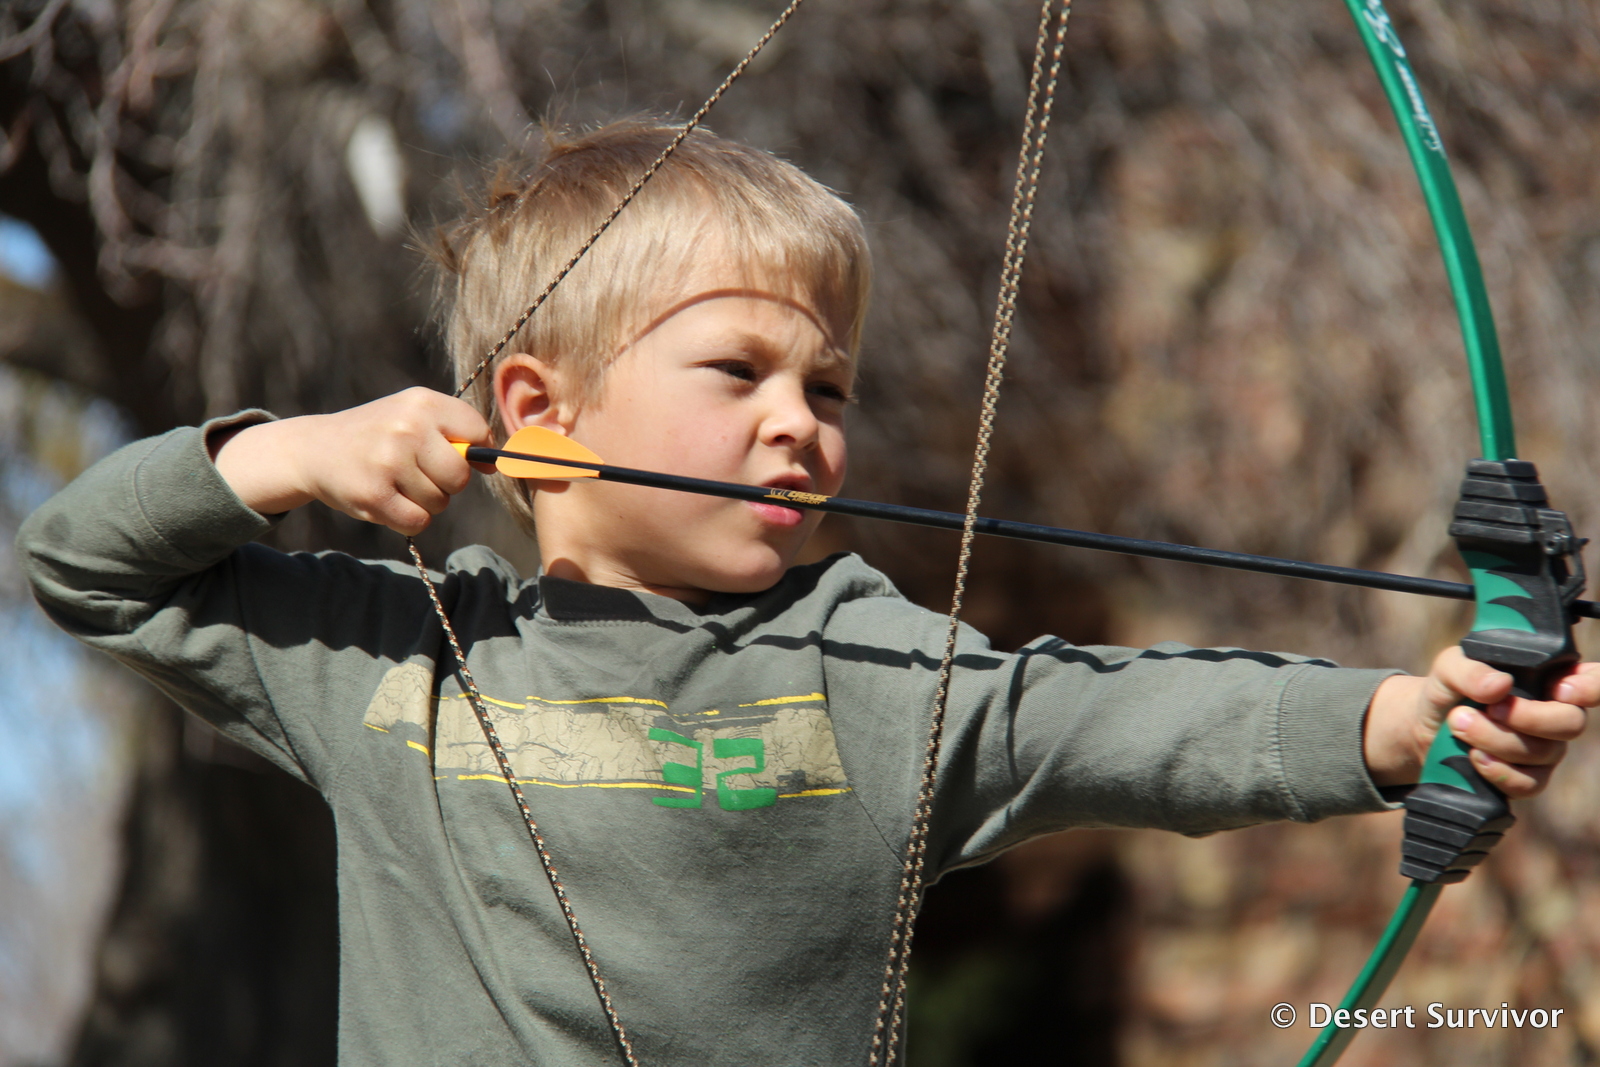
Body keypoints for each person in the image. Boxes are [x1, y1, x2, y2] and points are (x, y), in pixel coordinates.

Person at [19, 120, 1597, 1066]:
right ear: (539, 411)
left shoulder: (868, 671)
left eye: (827, 385)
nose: (804, 422)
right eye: (740, 369)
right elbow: (81, 561)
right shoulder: (390, 653)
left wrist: (1406, 721)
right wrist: (281, 457)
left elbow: (1130, 718)